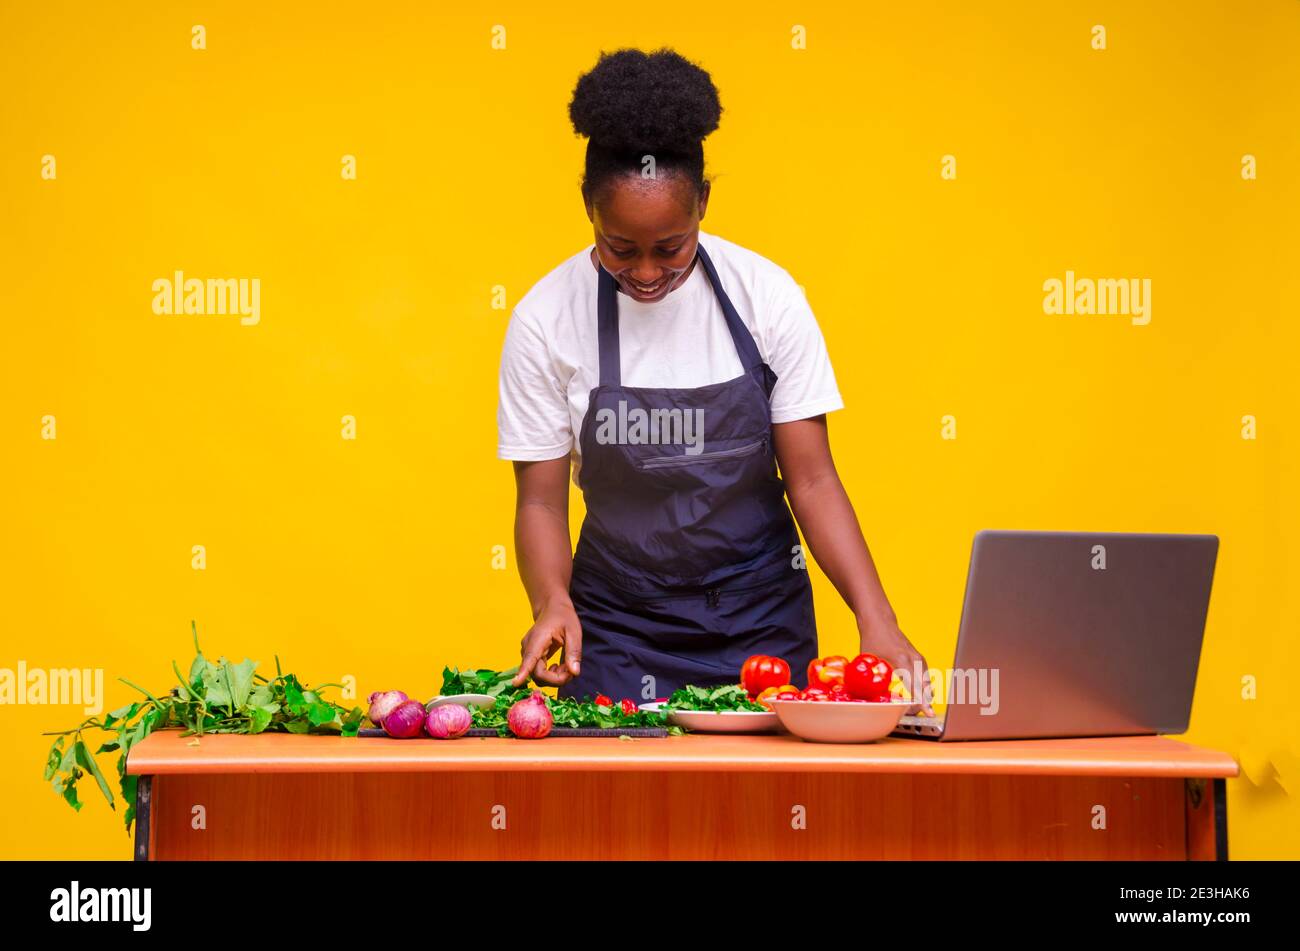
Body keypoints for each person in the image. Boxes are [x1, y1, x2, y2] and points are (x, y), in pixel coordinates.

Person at [497, 48, 929, 707]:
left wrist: (878, 617)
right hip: (616, 629)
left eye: (670, 247)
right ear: (587, 204)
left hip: (762, 623)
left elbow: (812, 478)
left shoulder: (767, 297)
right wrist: (551, 599)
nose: (646, 272)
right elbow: (539, 501)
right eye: (621, 247)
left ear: (703, 201)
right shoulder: (545, 319)